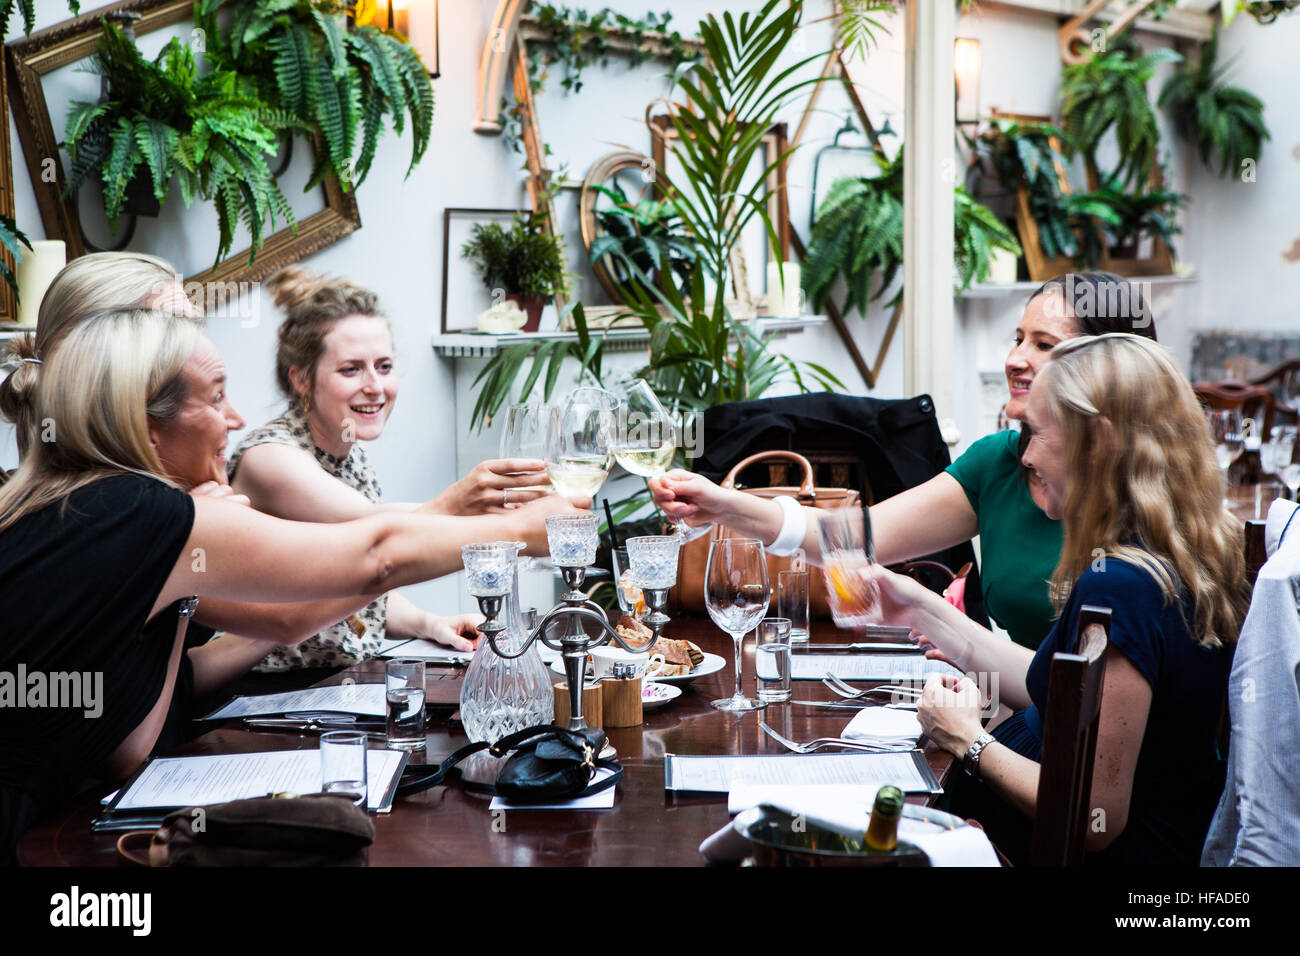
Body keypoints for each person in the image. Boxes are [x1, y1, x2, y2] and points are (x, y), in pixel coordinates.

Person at [0, 309, 582, 862]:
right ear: (146, 426)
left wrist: (184, 589)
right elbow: (375, 556)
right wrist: (519, 532)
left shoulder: (69, 503)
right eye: (217, 397)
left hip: (49, 824)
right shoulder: (139, 510)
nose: (236, 419)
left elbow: (130, 744)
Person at [864, 333, 1246, 866]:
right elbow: (1065, 693)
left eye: (1036, 433)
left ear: (1097, 442)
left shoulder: (1122, 585)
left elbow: (1094, 818)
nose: (1025, 455)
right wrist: (920, 607)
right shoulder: (1174, 555)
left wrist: (966, 739)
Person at [649, 272, 1158, 649]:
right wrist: (723, 505)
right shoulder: (998, 464)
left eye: (1044, 344)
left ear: (1105, 370)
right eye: (1017, 338)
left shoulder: (1150, 494)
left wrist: (955, 638)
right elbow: (853, 538)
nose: (1015, 359)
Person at [228, 267, 549, 672]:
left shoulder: (350, 454)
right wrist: (489, 514)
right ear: (302, 380)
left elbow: (357, 579)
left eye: (383, 366)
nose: (375, 386)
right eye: (351, 369)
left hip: (335, 683)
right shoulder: (269, 457)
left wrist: (429, 623)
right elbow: (379, 536)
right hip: (265, 693)